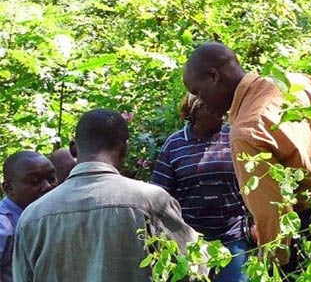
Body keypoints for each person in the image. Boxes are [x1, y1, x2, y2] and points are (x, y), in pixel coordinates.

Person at [182, 42, 311, 269]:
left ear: (214, 76)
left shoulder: (246, 131)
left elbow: (273, 213)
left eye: (198, 91)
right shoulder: (300, 82)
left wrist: (274, 265)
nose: (200, 101)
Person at [14, 109, 200, 281]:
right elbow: (192, 268)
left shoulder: (31, 217)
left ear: (73, 149)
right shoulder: (152, 201)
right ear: (124, 148)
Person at [151, 94, 252, 282]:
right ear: (196, 111)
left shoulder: (232, 137)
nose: (221, 114)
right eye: (213, 109)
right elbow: (159, 192)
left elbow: (251, 182)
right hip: (190, 240)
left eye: (221, 108)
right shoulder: (175, 145)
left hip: (231, 235)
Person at [1, 151, 55, 282]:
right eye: (34, 182)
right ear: (9, 189)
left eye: (51, 179)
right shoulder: (4, 224)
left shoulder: (48, 213)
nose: (48, 186)